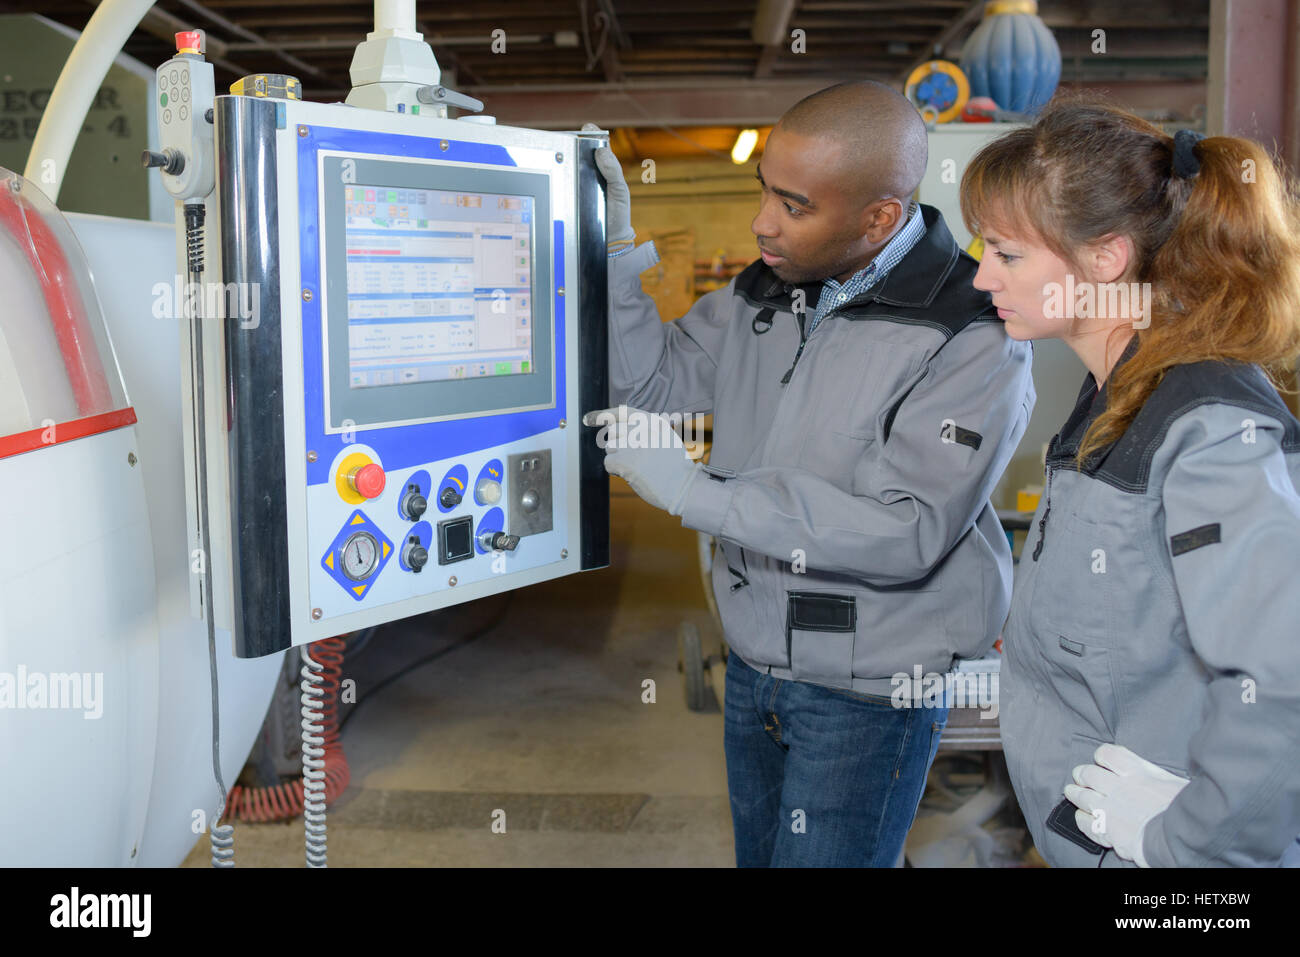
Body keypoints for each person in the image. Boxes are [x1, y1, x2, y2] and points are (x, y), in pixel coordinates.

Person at [583, 81, 1034, 867]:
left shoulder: (968, 331)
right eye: (766, 189)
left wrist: (702, 495)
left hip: (867, 693)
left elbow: (907, 528)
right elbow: (650, 387)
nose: (763, 221)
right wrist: (616, 250)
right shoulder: (763, 293)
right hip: (756, 664)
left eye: (793, 205)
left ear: (879, 218)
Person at [961, 99, 1300, 866]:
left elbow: (1283, 680)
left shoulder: (1205, 427)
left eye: (1007, 254)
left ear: (1105, 259)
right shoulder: (1116, 392)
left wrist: (1186, 845)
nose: (983, 277)